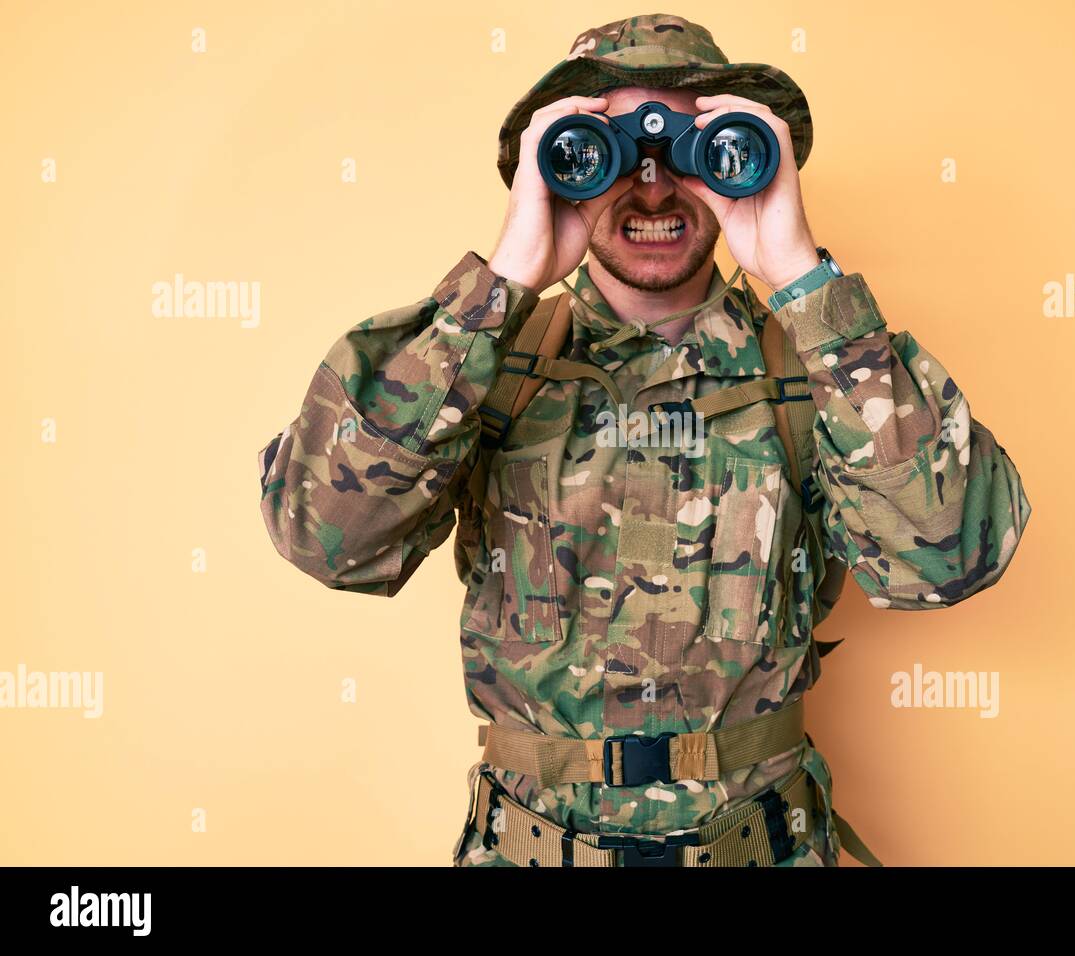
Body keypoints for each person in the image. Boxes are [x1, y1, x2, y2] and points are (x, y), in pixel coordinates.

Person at [256, 13, 1032, 868]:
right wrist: (500, 286)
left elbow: (953, 555)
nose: (655, 186)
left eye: (699, 148)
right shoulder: (484, 368)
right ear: (557, 171)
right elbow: (324, 535)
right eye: (608, 151)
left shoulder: (817, 373)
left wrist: (805, 282)